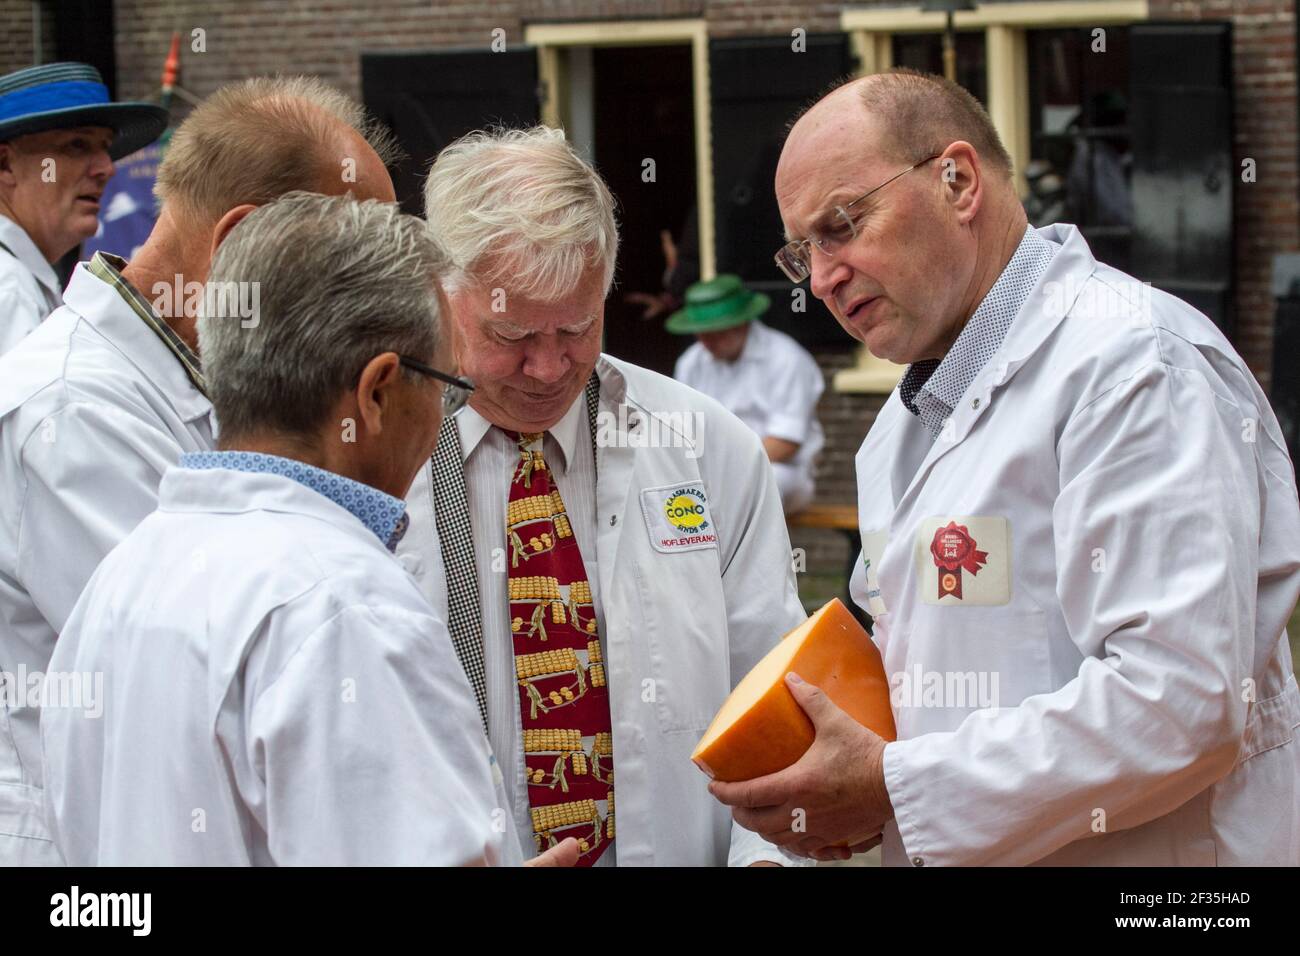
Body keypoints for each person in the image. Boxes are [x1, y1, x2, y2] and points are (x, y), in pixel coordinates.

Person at [710, 68, 1300, 866]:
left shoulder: (1135, 366)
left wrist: (896, 788)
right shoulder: (902, 425)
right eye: (801, 252)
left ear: (957, 181)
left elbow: (1180, 702)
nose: (821, 279)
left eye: (842, 224)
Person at [42, 192, 574, 866]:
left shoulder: (123, 574)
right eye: (447, 387)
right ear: (377, 392)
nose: (443, 415)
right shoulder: (347, 606)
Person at [0, 76, 396, 865]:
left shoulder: (190, 375)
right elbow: (223, 664)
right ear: (238, 244)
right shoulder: (70, 412)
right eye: (352, 271)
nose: (376, 309)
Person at [400, 126, 809, 866]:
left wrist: (766, 858)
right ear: (440, 293)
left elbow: (773, 686)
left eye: (578, 327)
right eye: (511, 333)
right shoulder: (379, 463)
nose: (548, 366)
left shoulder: (706, 445)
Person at [0, 62, 166, 353]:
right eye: (77, 145)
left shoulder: (19, 280)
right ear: (5, 165)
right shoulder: (9, 289)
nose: (107, 169)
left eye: (105, 147)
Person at [669, 273, 825, 512]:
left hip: (782, 470)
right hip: (710, 472)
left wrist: (724, 470)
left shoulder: (786, 358)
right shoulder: (691, 362)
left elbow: (785, 442)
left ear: (740, 323)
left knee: (755, 485)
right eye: (700, 332)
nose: (706, 341)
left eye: (715, 332)